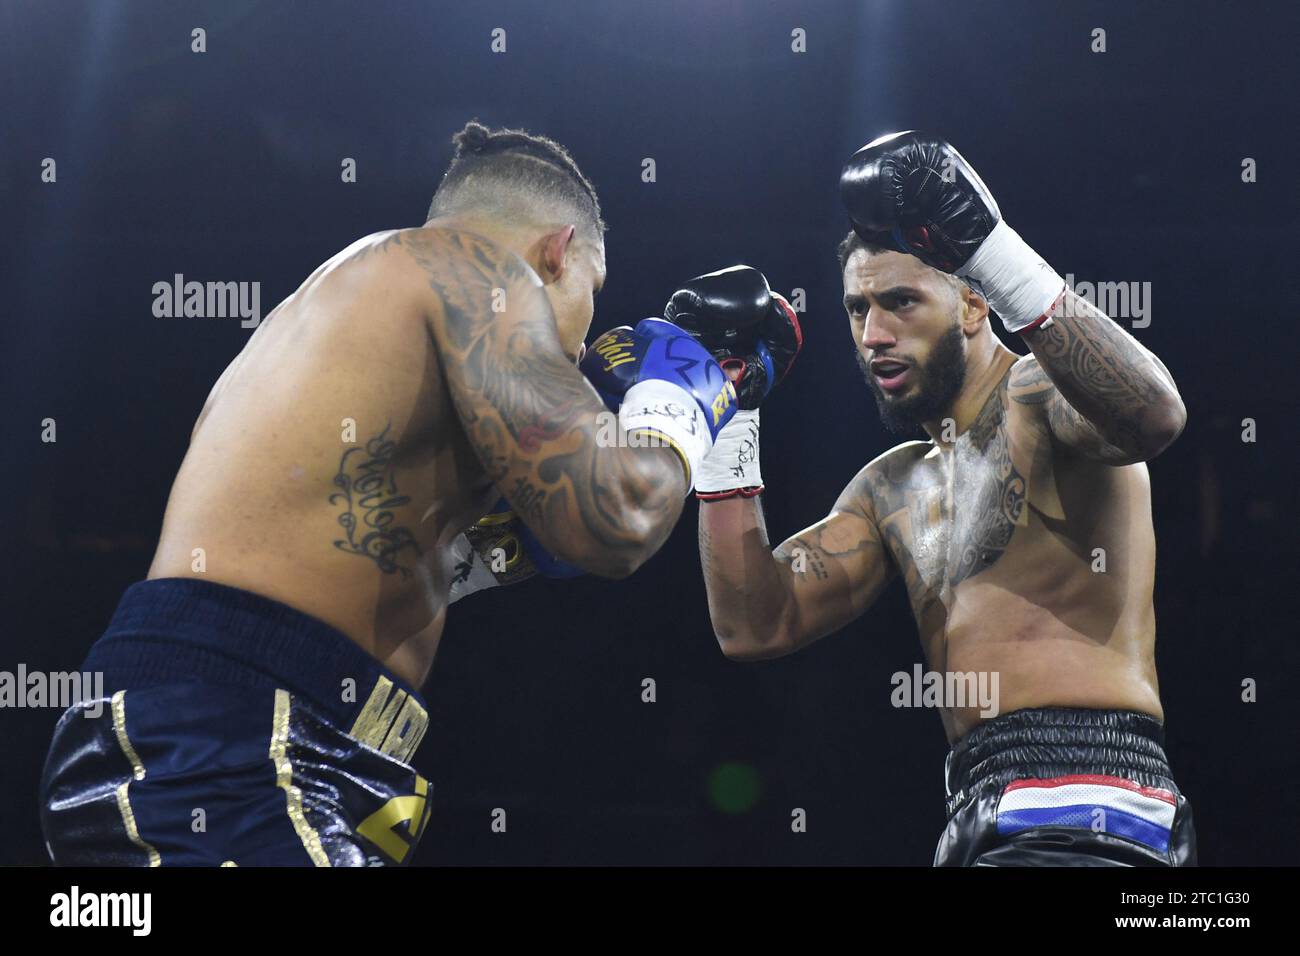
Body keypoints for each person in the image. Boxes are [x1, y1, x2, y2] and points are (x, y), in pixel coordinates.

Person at [39, 121, 735, 866]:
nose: (576, 351)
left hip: (260, 739)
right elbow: (618, 518)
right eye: (590, 298)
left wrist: (531, 539)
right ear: (556, 252)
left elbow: (408, 547)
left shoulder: (365, 313)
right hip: (229, 737)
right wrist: (685, 395)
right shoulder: (470, 272)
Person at [686, 132, 1196, 866]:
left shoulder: (1040, 395)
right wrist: (728, 415)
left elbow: (1154, 415)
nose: (875, 335)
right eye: (857, 310)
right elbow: (754, 623)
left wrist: (992, 249)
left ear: (972, 305)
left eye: (900, 302)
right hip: (977, 813)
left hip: (1088, 803)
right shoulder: (891, 485)